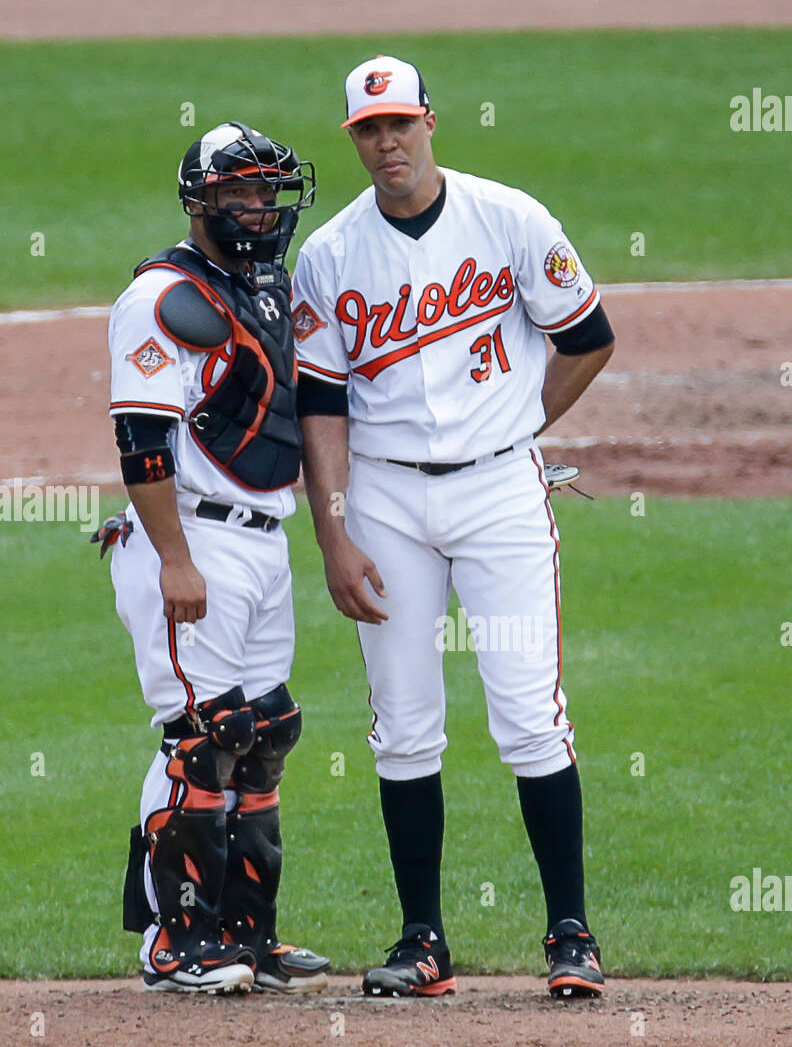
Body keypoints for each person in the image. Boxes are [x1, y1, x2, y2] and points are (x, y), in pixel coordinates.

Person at [292, 57, 615, 999]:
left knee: (528, 713)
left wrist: (517, 425)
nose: (386, 142)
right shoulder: (332, 253)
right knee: (403, 726)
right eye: (367, 130)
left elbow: (588, 338)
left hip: (500, 498)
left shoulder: (510, 219)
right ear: (353, 139)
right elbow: (321, 405)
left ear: (429, 121)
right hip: (384, 501)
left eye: (399, 123)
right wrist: (335, 533)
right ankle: (422, 941)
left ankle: (570, 934)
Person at [95, 121, 330, 994]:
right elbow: (142, 441)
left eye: (268, 192)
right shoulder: (160, 299)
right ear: (201, 202)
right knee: (202, 740)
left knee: (262, 737)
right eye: (240, 194)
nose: (258, 209)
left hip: (264, 542)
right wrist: (174, 560)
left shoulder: (265, 287)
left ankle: (245, 934)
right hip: (194, 542)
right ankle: (173, 941)